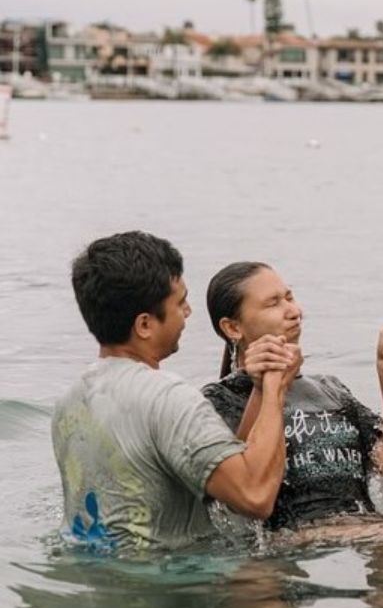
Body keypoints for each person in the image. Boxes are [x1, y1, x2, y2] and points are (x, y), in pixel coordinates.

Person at [51, 232, 301, 553]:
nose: (188, 312)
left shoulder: (69, 402)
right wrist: (275, 388)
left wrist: (256, 390)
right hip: (169, 585)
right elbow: (253, 497)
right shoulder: (169, 397)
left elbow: (228, 473)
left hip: (96, 579)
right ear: (144, 325)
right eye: (180, 302)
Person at [202, 262, 383, 530]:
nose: (294, 311)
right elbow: (238, 492)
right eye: (273, 304)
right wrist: (266, 387)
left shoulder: (331, 390)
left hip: (362, 530)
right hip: (294, 537)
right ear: (233, 328)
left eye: (290, 297)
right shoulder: (219, 399)